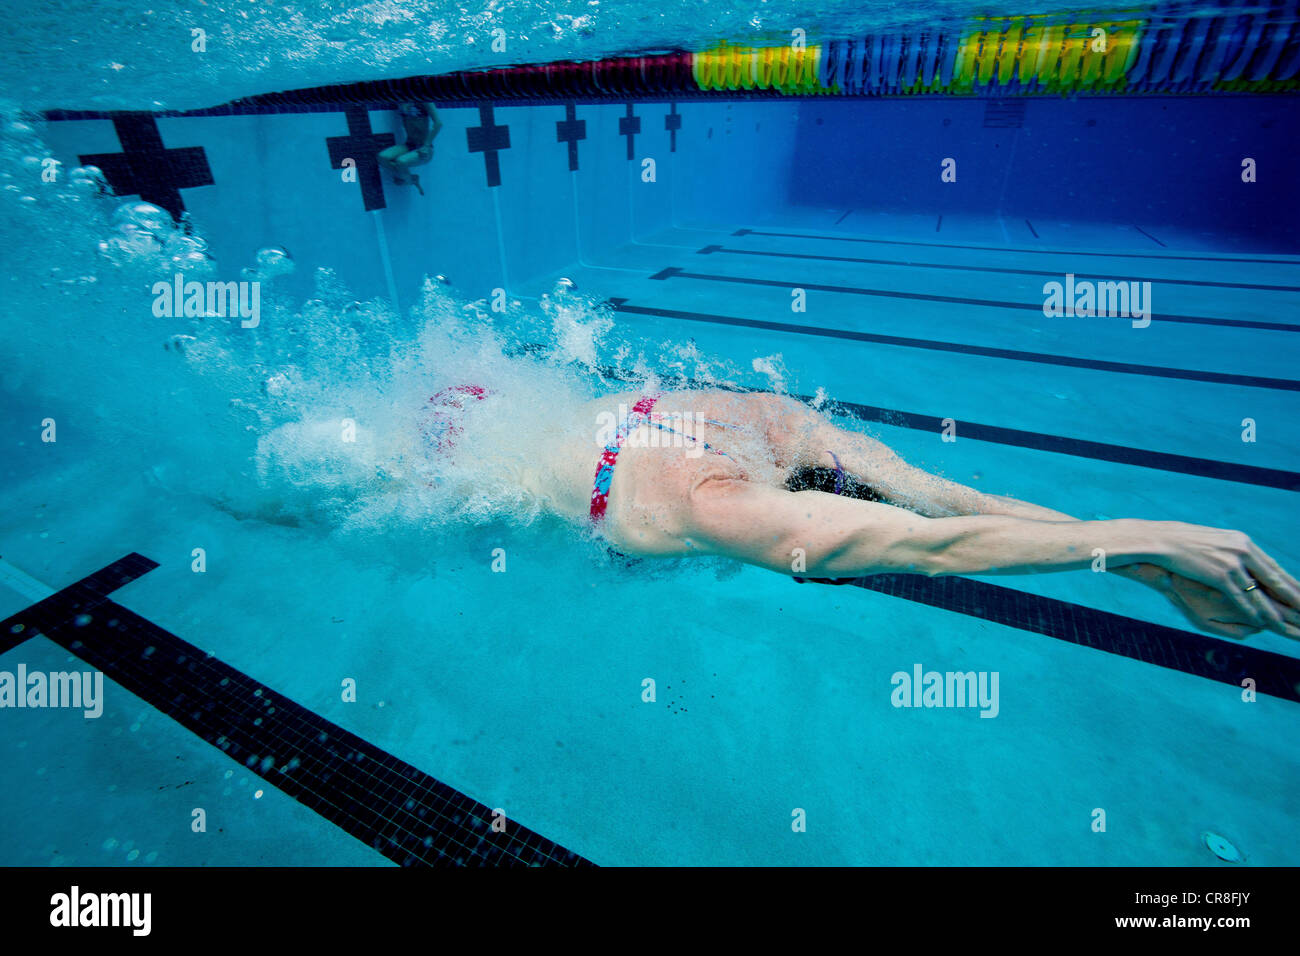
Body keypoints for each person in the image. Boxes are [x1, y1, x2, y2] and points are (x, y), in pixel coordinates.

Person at [378, 103, 442, 195]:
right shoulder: (400, 101)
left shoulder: (424, 101)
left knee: (401, 161)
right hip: (409, 145)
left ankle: (408, 180)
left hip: (424, 149)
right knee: (382, 157)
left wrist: (426, 146)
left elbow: (438, 124)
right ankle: (410, 179)